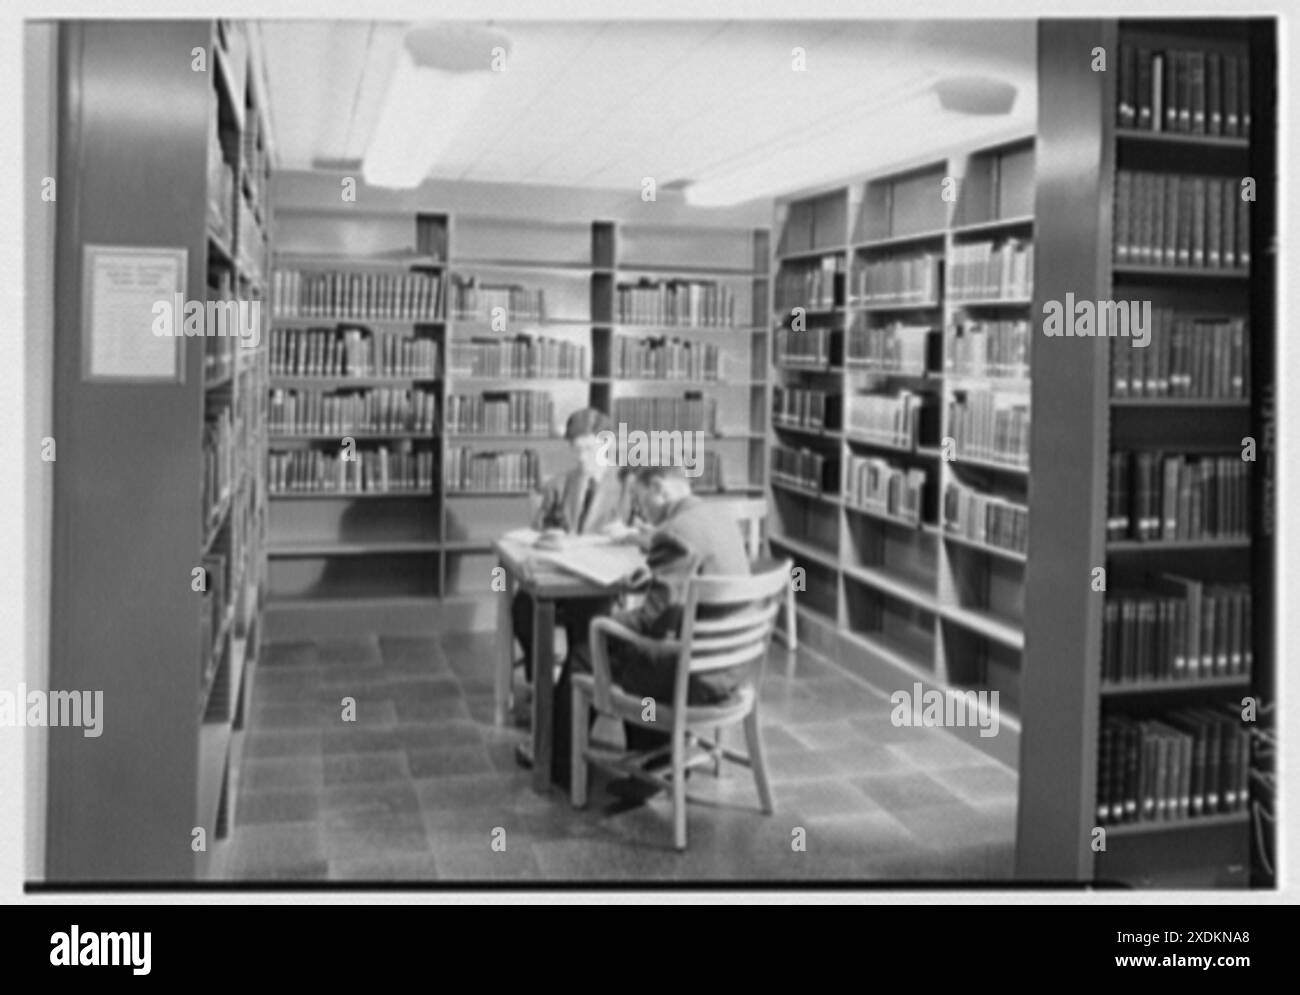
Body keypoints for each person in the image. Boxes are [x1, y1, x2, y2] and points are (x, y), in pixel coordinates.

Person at [550, 463, 754, 797]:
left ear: (659, 488)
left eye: (640, 500)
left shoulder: (675, 533)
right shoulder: (718, 517)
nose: (640, 511)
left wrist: (605, 623)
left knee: (589, 647)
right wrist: (654, 580)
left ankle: (561, 769)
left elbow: (652, 625)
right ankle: (656, 763)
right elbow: (694, 582)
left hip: (696, 677)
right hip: (734, 668)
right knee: (631, 651)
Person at [512, 407, 636, 684]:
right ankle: (543, 681)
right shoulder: (562, 483)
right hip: (561, 577)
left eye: (590, 449)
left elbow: (642, 532)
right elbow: (539, 529)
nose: (583, 458)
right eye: (577, 450)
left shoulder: (628, 483)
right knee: (522, 608)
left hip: (603, 582)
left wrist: (625, 533)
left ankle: (574, 691)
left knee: (586, 618)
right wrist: (550, 534)